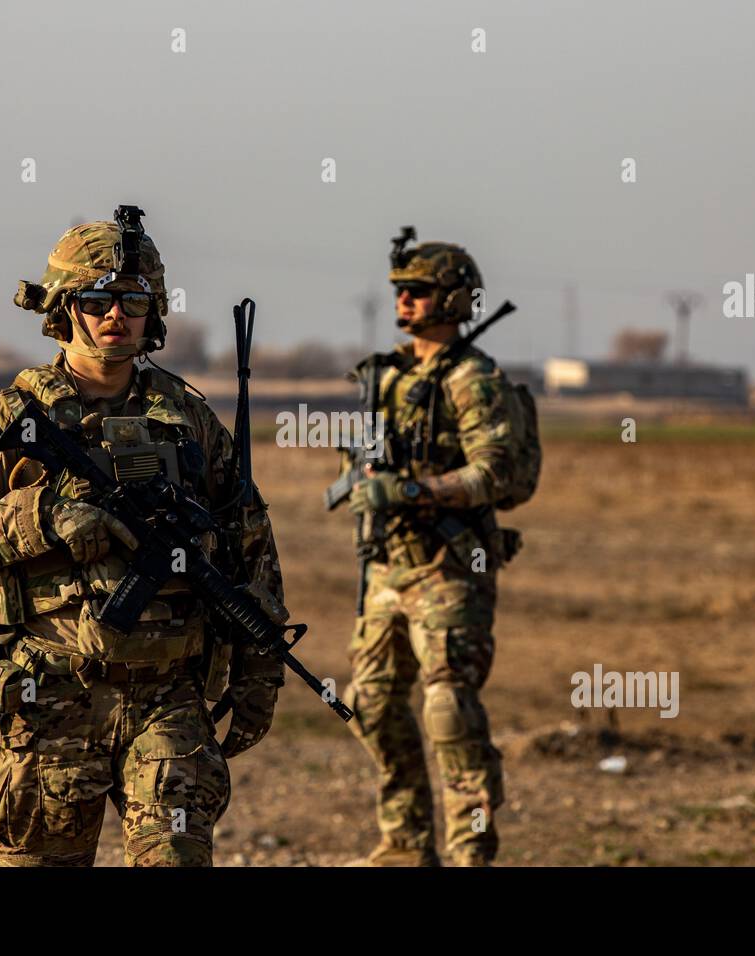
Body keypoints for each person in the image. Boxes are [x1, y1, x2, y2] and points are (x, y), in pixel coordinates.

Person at [0, 211, 285, 867]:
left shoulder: (187, 417)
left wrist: (260, 672)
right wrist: (47, 516)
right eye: (96, 301)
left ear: (155, 313)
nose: (116, 317)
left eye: (134, 302)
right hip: (52, 696)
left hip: (168, 699)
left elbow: (249, 546)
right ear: (64, 309)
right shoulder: (15, 418)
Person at [340, 232, 519, 866]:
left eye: (416, 291)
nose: (405, 301)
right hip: (387, 566)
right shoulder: (389, 374)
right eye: (399, 291)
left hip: (450, 569)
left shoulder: (475, 380)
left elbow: (498, 474)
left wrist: (412, 489)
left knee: (447, 706)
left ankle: (470, 849)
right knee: (371, 703)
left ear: (451, 298)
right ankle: (405, 844)